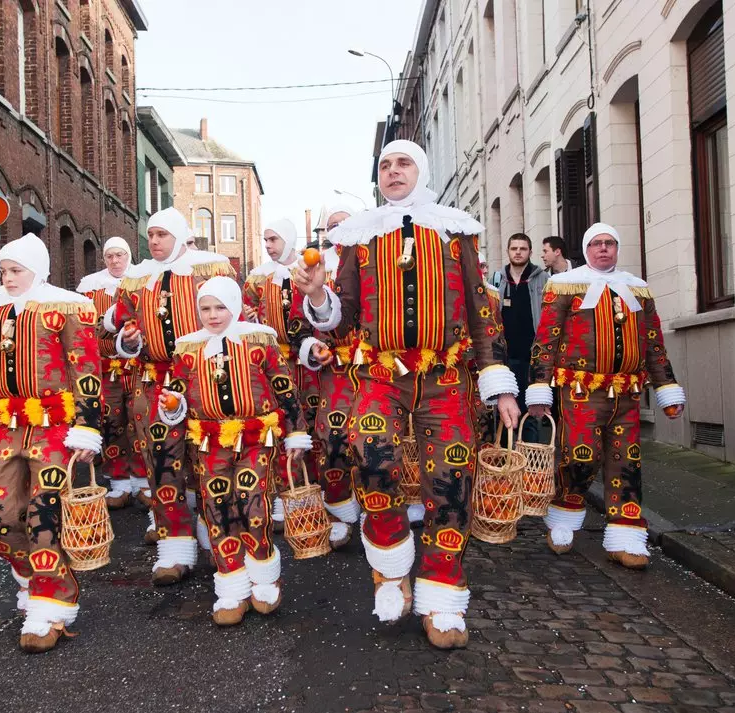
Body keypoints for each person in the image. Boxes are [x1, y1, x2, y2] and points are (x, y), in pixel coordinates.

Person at [294, 140, 521, 649]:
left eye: (403, 163)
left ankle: (441, 595)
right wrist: (317, 296)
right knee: (372, 460)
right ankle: (391, 563)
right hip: (379, 374)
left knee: (452, 482)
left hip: (445, 376)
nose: (393, 172)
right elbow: (344, 313)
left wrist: (498, 382)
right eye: (385, 165)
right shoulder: (359, 237)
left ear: (421, 170)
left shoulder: (455, 229)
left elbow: (482, 311)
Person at [0, 232, 103, 653]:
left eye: (16, 270)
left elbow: (85, 369)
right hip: (7, 429)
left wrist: (87, 426)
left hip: (54, 429)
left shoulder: (65, 309)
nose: (8, 278)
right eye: (3, 271)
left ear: (37, 270)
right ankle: (38, 580)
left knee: (44, 515)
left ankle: (51, 608)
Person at [526, 223, 686, 570]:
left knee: (626, 462)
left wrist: (666, 386)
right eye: (597, 244)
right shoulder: (565, 285)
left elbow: (654, 341)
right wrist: (539, 387)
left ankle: (626, 535)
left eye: (610, 243)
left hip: (627, 392)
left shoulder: (638, 289)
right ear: (585, 249)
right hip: (580, 391)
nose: (603, 249)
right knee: (581, 457)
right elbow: (547, 338)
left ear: (617, 248)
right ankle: (564, 515)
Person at [156, 276, 311, 625]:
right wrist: (170, 405)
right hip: (210, 442)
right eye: (205, 308)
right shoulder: (187, 349)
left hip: (257, 437)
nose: (212, 315)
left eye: (220, 307)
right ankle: (231, 585)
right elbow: (174, 394)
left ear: (236, 307)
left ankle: (264, 576)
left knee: (252, 501)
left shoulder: (259, 340)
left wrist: (296, 432)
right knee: (216, 508)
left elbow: (285, 389)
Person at [108, 208, 236, 584]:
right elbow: (118, 325)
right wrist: (127, 341)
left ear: (179, 236)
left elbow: (243, 317)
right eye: (150, 235)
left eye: (162, 234)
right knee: (161, 463)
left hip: (204, 380)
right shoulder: (137, 279)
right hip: (154, 383)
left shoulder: (211, 269)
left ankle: (219, 541)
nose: (155, 242)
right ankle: (175, 548)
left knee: (210, 461)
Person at [243, 219, 326, 533]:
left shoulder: (308, 270)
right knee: (279, 425)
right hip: (273, 362)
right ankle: (281, 493)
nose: (268, 245)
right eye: (265, 240)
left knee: (311, 422)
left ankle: (311, 491)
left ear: (288, 240)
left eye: (274, 239)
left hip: (308, 363)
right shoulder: (258, 277)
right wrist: (250, 315)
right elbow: (244, 308)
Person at [76, 237, 147, 509]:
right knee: (112, 421)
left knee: (139, 422)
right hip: (108, 368)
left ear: (128, 256)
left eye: (120, 255)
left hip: (139, 366)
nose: (115, 261)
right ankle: (119, 484)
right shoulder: (91, 288)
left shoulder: (141, 281)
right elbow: (86, 328)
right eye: (110, 256)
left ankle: (142, 482)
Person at [308, 205, 363, 547]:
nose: (338, 230)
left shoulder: (373, 257)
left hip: (375, 366)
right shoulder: (316, 267)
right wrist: (311, 347)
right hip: (334, 368)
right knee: (332, 437)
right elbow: (299, 320)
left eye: (344, 224)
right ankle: (340, 506)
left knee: (377, 440)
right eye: (331, 226)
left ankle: (380, 507)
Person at [489, 233, 548, 439]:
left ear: (530, 252)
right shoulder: (497, 280)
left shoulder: (543, 279)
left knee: (530, 410)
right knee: (504, 410)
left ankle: (530, 462)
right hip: (505, 359)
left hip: (532, 356)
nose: (518, 252)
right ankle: (506, 460)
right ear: (508, 251)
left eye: (523, 248)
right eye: (514, 248)